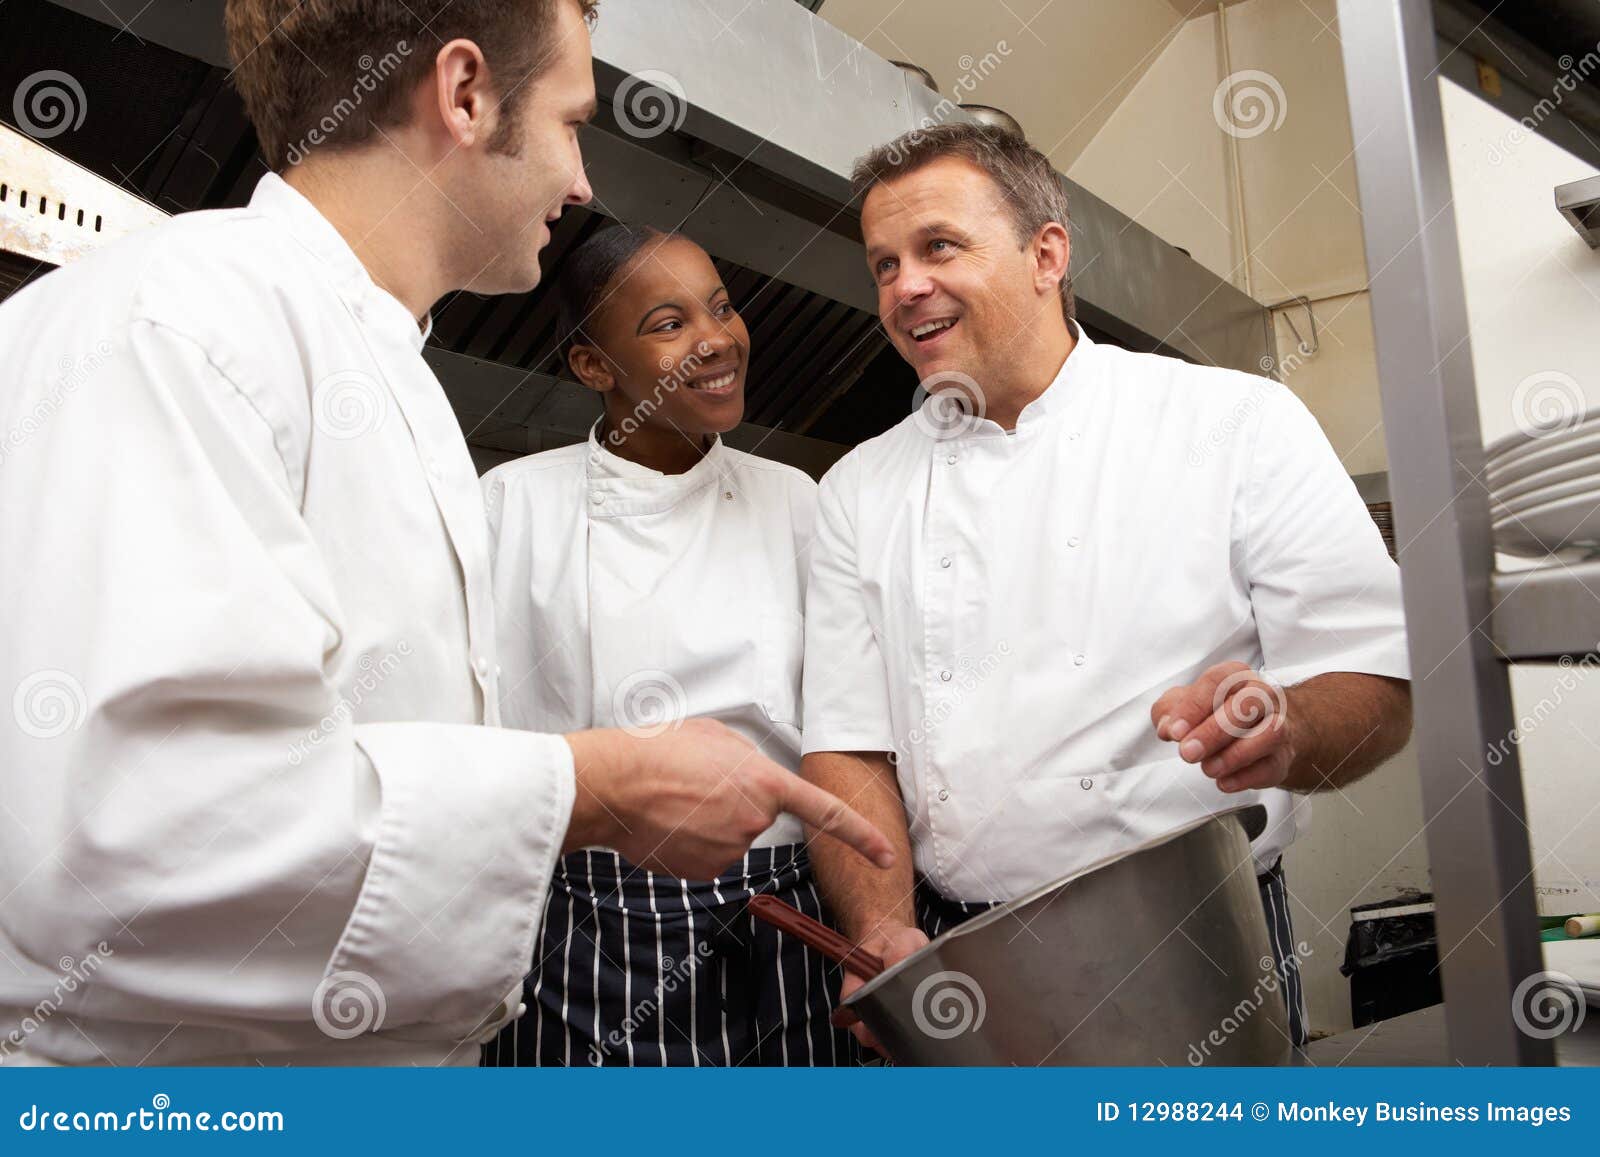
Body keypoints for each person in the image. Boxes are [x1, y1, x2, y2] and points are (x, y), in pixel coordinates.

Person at [0, 0, 889, 1067]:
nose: (582, 183)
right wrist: (597, 785)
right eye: (570, 123)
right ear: (464, 94)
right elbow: (136, 850)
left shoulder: (381, 367)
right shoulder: (181, 321)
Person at [800, 124, 1413, 1053]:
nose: (904, 287)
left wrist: (1285, 725)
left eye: (938, 247)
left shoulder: (1233, 421)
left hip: (1204, 936)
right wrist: (882, 922)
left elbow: (1374, 678)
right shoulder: (855, 490)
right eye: (883, 264)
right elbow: (849, 746)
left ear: (1047, 254)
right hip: (970, 951)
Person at [479, 227, 855, 1067]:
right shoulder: (512, 506)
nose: (716, 339)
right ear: (592, 367)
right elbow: (473, 731)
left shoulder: (794, 500)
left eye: (720, 307)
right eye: (667, 323)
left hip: (783, 904)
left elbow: (840, 721)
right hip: (591, 916)